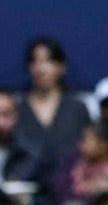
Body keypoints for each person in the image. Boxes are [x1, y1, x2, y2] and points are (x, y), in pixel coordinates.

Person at [16, 36, 91, 169]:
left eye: (48, 61)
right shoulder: (17, 108)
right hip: (23, 184)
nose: (41, 69)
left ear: (61, 66)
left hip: (68, 183)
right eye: (35, 62)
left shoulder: (77, 109)